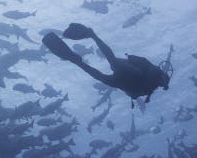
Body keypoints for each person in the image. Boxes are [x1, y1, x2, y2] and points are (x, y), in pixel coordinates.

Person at [42, 23, 172, 106]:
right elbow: (136, 92)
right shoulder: (152, 83)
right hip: (126, 81)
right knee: (100, 75)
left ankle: (91, 38)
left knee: (112, 61)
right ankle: (77, 61)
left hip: (128, 77)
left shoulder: (153, 76)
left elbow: (137, 65)